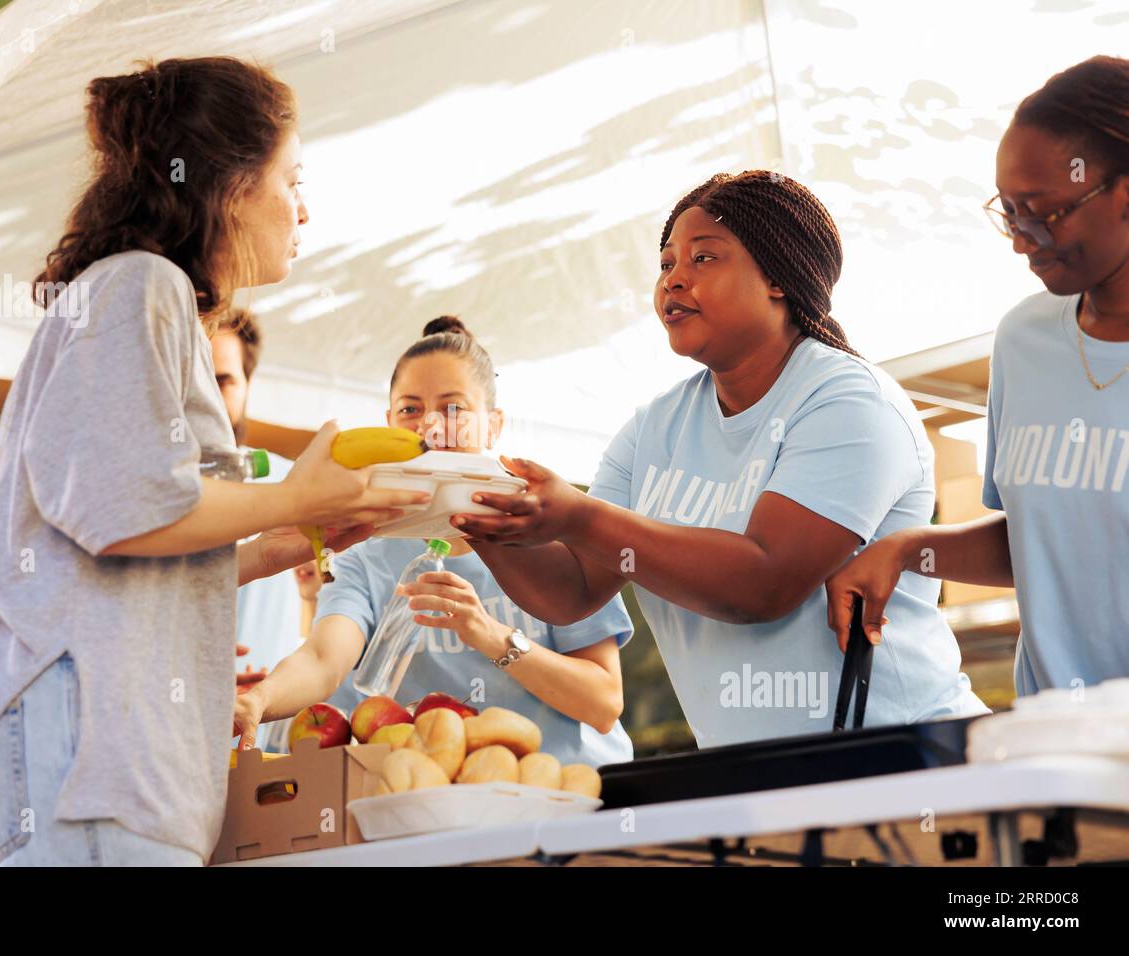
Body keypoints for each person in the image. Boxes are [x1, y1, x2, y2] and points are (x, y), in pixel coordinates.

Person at [0, 57, 427, 867]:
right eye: (292, 178)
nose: (304, 206)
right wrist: (292, 495)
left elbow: (130, 552)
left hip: (103, 771)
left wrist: (298, 538)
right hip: (85, 763)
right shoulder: (140, 287)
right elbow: (123, 513)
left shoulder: (148, 300)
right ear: (228, 185)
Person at [450, 172, 987, 748]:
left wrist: (580, 517)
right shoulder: (654, 427)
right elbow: (573, 590)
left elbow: (763, 582)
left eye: (704, 258)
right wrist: (462, 508)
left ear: (779, 277)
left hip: (908, 762)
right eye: (665, 264)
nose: (674, 280)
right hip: (754, 783)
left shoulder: (849, 402)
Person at [826, 56, 1129, 697]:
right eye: (1009, 211)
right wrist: (909, 549)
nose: (1021, 238)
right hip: (1055, 746)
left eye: (1044, 212)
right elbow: (1041, 544)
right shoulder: (1023, 339)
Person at [236, 317, 635, 766]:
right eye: (410, 409)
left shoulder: (552, 524)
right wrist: (261, 699)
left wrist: (490, 634)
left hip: (573, 796)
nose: (431, 425)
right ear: (388, 424)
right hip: (443, 799)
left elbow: (603, 704)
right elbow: (324, 658)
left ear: (494, 424)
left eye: (453, 408)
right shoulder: (364, 543)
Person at [211, 310, 304, 681]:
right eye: (193, 379)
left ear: (247, 385)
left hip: (268, 724)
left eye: (223, 381)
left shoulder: (294, 484)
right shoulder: (139, 492)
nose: (207, 397)